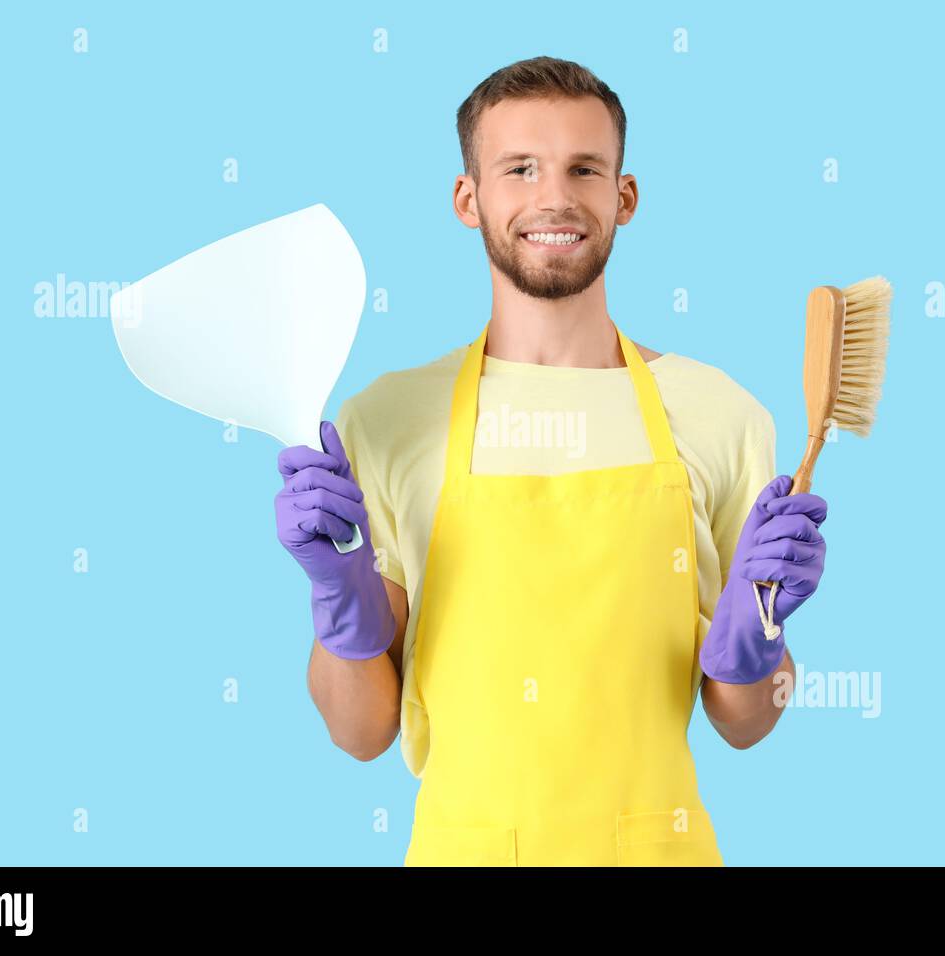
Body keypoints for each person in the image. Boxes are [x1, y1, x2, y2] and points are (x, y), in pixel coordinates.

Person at [274, 56, 828, 866]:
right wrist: (338, 598)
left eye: (583, 169)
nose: (554, 198)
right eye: (520, 169)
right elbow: (361, 735)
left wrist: (762, 640)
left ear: (624, 197)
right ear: (469, 198)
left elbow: (745, 722)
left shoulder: (720, 415)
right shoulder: (388, 420)